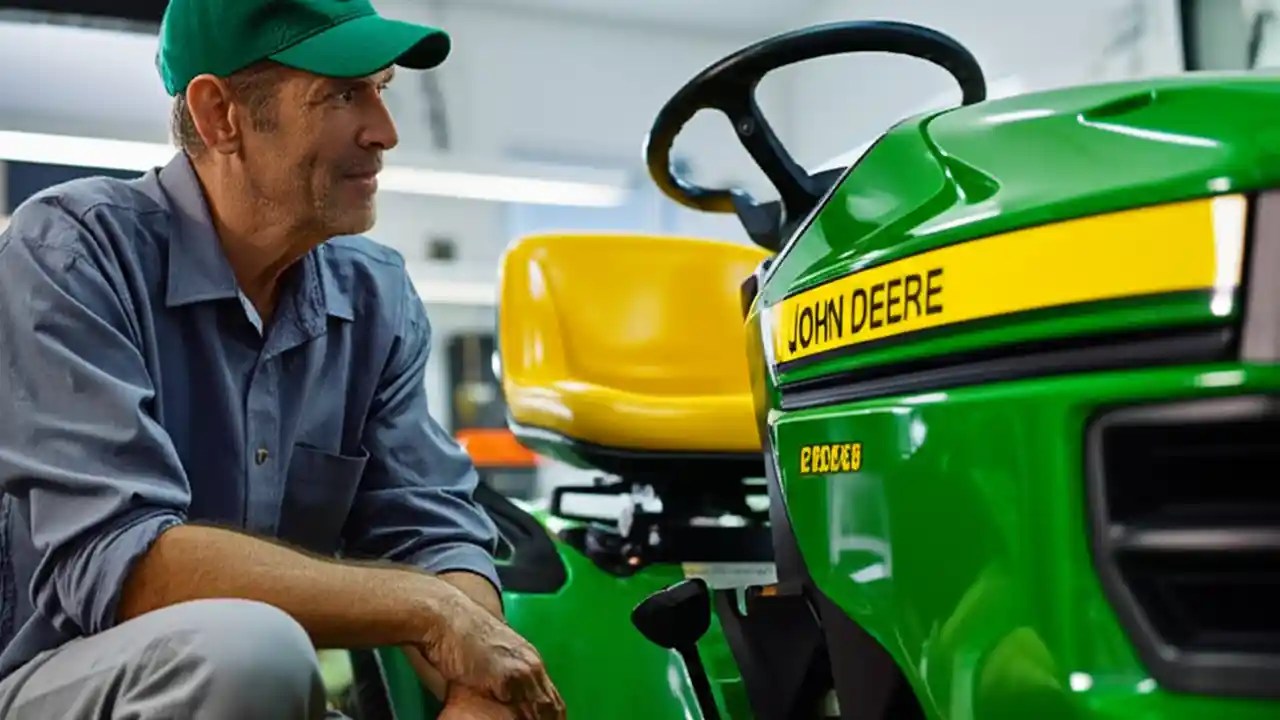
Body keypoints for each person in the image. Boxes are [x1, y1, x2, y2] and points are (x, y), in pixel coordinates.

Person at [0, 0, 565, 718]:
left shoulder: (375, 298)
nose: (384, 133)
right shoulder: (73, 255)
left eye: (381, 90)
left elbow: (432, 530)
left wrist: (479, 682)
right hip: (49, 682)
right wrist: (431, 612)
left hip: (242, 694)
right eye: (341, 94)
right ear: (219, 115)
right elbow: (123, 564)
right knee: (251, 651)